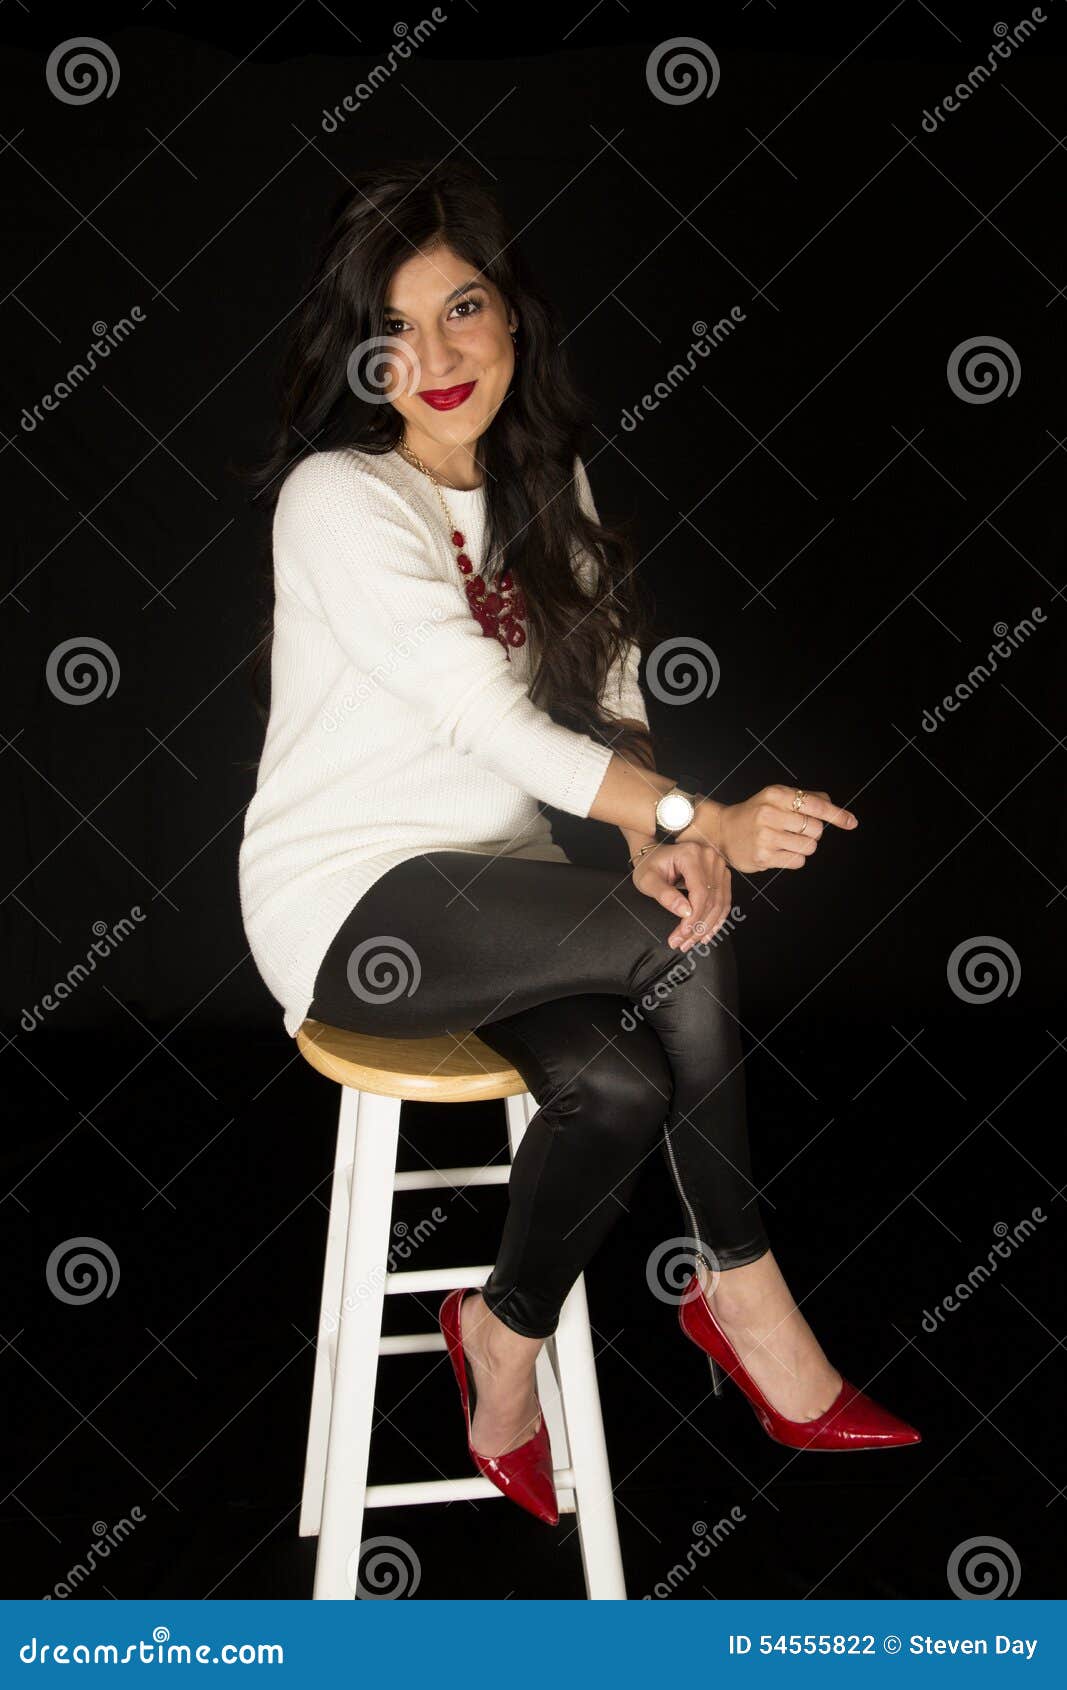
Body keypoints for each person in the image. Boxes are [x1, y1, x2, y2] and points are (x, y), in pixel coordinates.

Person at [238, 158, 919, 1529]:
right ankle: (741, 1283)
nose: (436, 356)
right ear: (363, 357)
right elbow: (486, 721)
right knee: (693, 912)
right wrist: (701, 824)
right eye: (398, 330)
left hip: (499, 894)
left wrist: (656, 841)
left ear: (513, 319)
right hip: (348, 907)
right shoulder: (337, 500)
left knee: (616, 1085)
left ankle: (500, 1335)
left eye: (464, 310)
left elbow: (613, 696)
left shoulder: (553, 484)